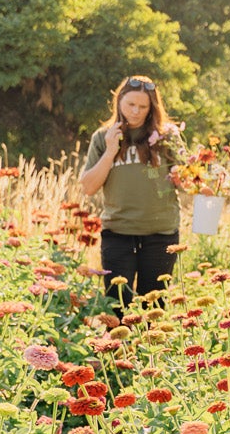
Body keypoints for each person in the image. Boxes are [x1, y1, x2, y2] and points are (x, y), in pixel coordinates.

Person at [77, 76, 183, 303]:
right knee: (117, 306)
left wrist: (200, 183)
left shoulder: (167, 137)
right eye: (130, 105)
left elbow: (188, 179)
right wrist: (110, 151)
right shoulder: (102, 137)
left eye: (142, 107)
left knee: (154, 308)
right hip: (118, 233)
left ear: (152, 108)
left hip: (161, 234)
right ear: (119, 102)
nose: (135, 111)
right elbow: (88, 187)